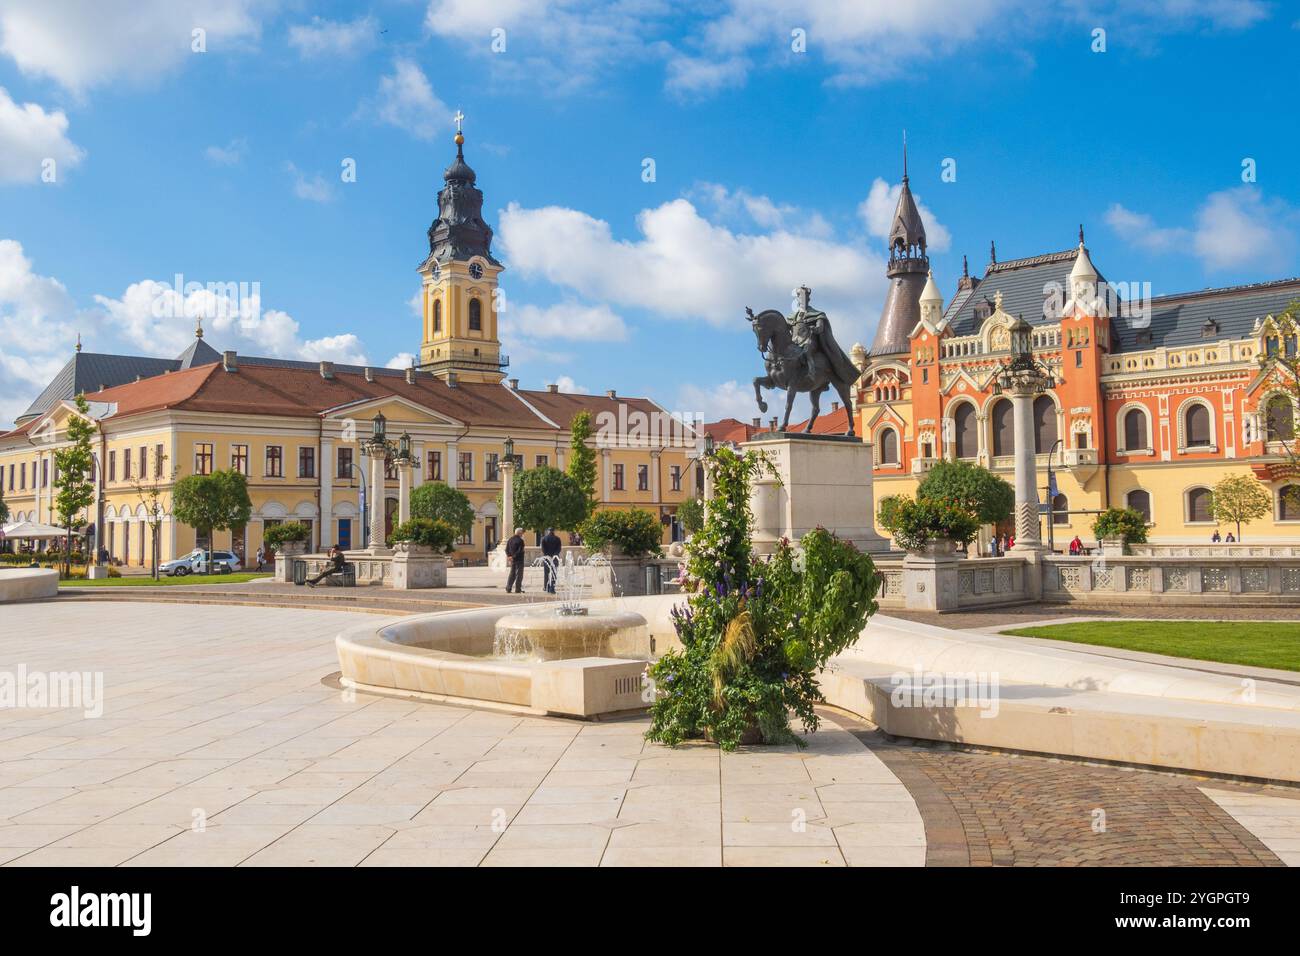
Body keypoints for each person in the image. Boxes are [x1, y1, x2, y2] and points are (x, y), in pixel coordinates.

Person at [540, 526, 562, 594]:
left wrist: (547, 555)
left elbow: (543, 549)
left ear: (548, 531)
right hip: (555, 558)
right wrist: (554, 555)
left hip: (547, 558)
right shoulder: (557, 539)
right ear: (553, 531)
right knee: (554, 573)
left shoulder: (544, 538)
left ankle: (546, 587)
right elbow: (559, 548)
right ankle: (552, 588)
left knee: (546, 573)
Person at [504, 527, 526, 594]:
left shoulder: (510, 539)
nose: (522, 534)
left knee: (512, 574)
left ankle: (508, 588)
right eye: (522, 532)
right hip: (519, 560)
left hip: (512, 560)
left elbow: (506, 549)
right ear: (519, 533)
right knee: (519, 575)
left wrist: (509, 556)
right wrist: (513, 557)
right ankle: (517, 589)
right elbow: (520, 551)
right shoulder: (520, 541)